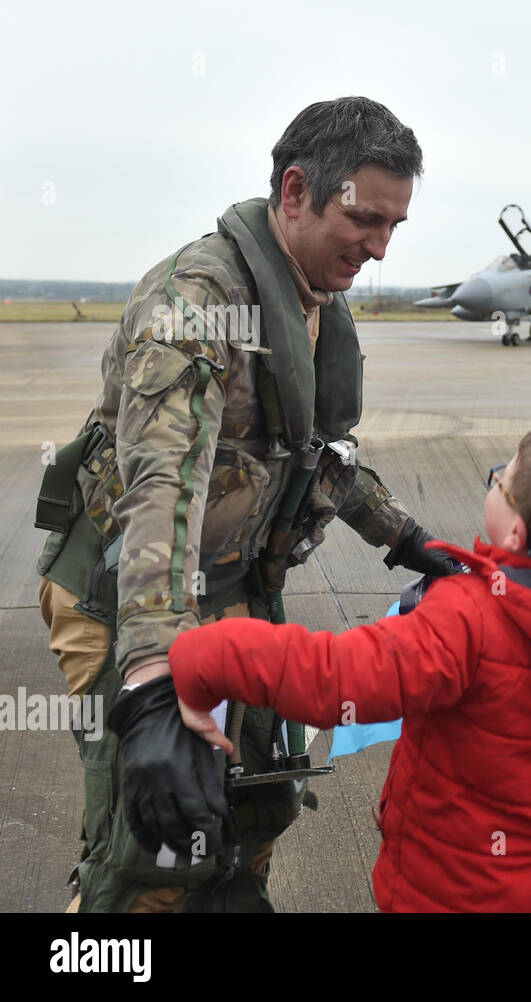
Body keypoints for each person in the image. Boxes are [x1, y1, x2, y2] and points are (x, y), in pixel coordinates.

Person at [33, 96, 458, 912]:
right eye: (365, 218)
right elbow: (160, 487)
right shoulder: (195, 302)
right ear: (295, 191)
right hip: (130, 591)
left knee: (250, 802)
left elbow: (315, 454)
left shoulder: (311, 301)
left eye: (394, 227)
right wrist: (154, 680)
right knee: (152, 840)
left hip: (230, 585)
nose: (378, 246)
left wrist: (405, 538)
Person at [166, 416, 531, 911]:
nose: (492, 480)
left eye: (501, 479)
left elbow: (336, 677)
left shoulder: (473, 616)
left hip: (451, 890)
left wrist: (202, 656)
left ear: (515, 531)